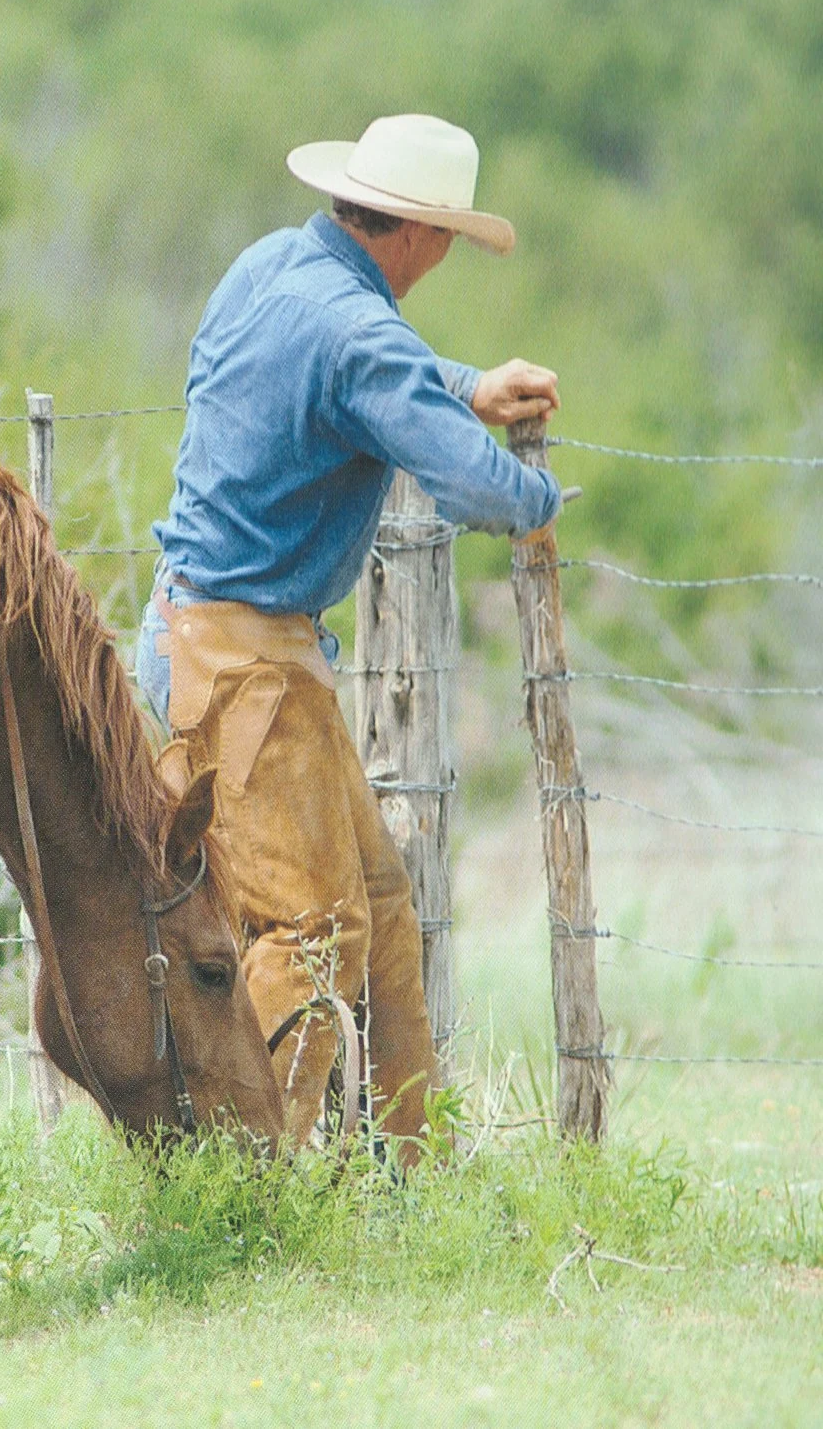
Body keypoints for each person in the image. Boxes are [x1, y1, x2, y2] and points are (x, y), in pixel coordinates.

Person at [135, 113, 562, 1156]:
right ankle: (247, 1188)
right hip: (244, 663)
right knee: (311, 932)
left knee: (373, 904)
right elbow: (475, 485)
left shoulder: (271, 268)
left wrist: (461, 386)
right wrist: (540, 500)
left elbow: (363, 371)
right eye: (448, 235)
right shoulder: (359, 333)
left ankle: (408, 1173)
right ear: (422, 233)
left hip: (210, 638)